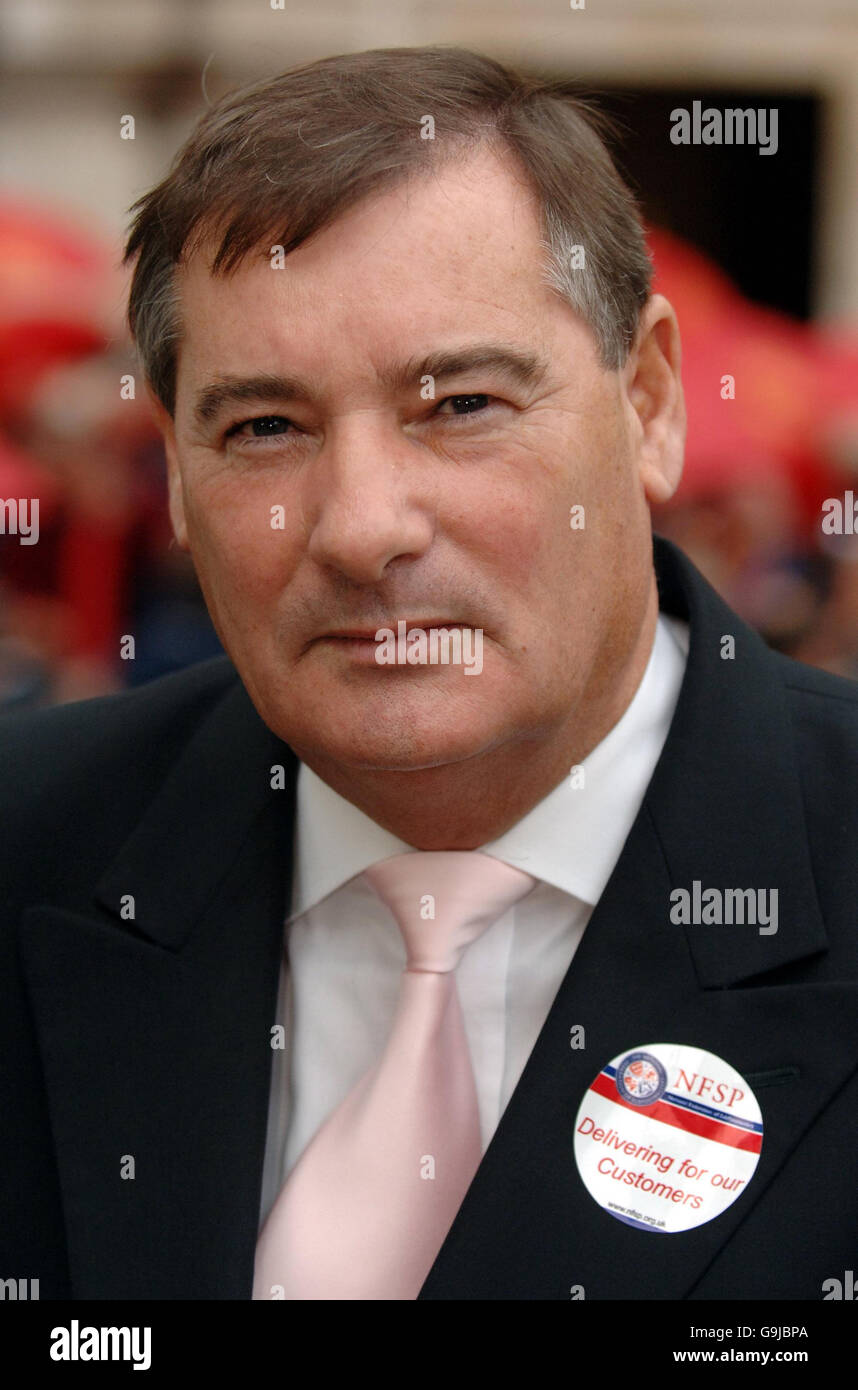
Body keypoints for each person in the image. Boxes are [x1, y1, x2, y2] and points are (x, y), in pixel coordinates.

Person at [2, 46, 856, 1302]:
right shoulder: (31, 838)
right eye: (265, 428)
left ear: (649, 401)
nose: (361, 527)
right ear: (175, 475)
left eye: (460, 405)